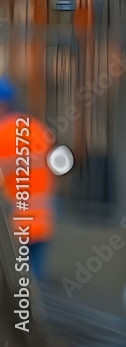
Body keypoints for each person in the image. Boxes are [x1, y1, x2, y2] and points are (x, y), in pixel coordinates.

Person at [0, 76, 56, 280]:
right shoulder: (38, 129)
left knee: (12, 294)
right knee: (33, 290)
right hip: (41, 222)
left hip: (10, 227)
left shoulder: (1, 133)